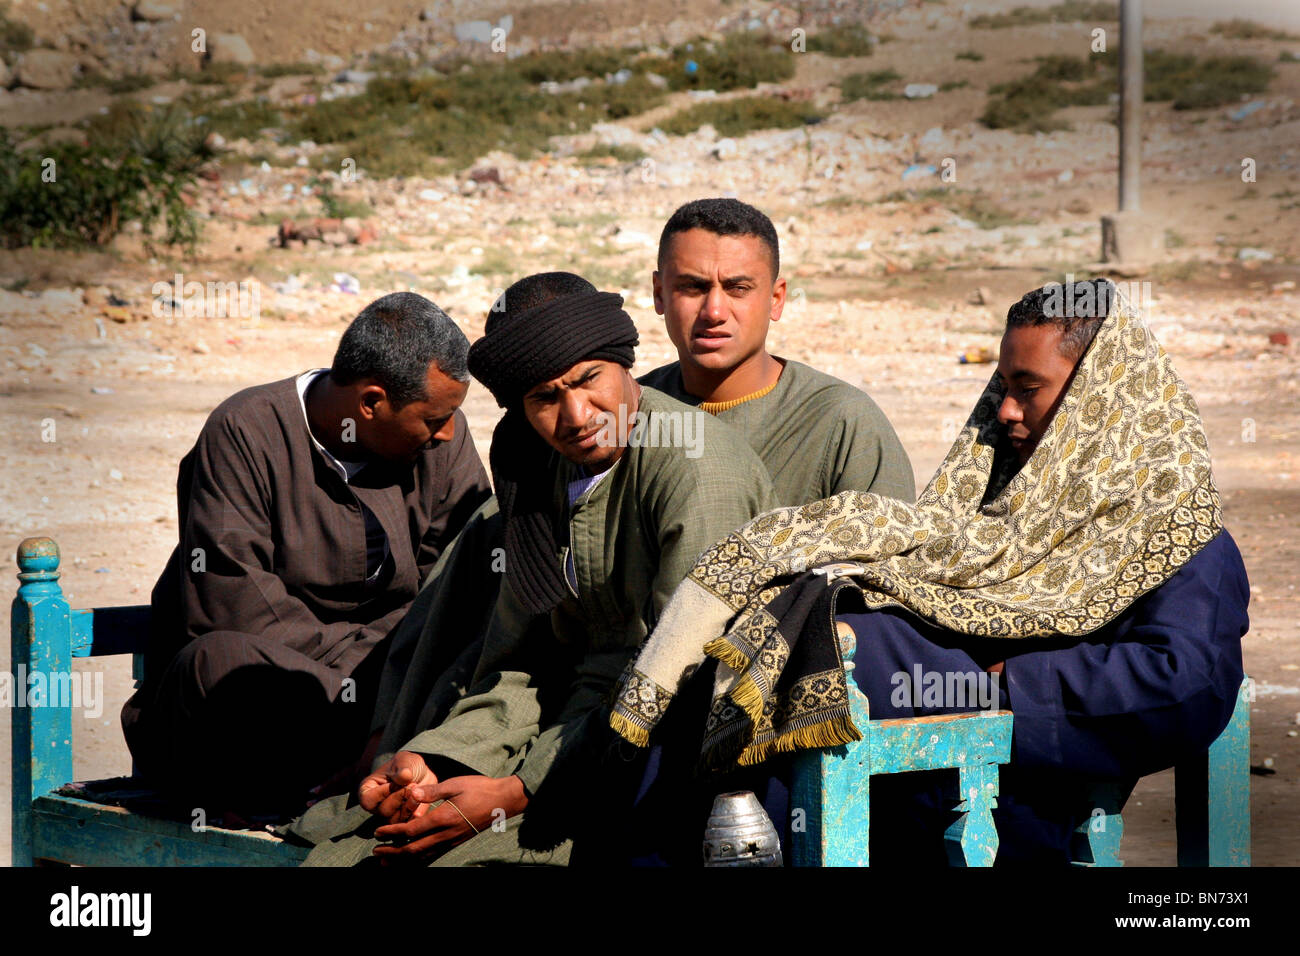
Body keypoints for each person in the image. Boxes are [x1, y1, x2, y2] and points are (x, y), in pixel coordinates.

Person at [609, 278, 1249, 866]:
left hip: (999, 793)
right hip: (897, 772)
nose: (1003, 411)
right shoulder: (988, 517)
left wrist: (1006, 687)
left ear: (1100, 399)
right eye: (1003, 389)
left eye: (1028, 389)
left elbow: (1186, 682)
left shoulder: (1177, 536)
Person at [294, 273, 777, 865]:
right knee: (372, 848)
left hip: (659, 754)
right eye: (545, 398)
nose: (575, 415)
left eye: (588, 380)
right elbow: (520, 661)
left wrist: (520, 790)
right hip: (564, 725)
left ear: (624, 363)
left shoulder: (696, 473)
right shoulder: (537, 468)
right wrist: (438, 760)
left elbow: (677, 681)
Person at [120, 292, 491, 817]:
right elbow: (233, 604)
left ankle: (370, 763)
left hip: (388, 695)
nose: (449, 432)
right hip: (269, 701)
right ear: (371, 403)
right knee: (219, 662)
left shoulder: (441, 443)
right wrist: (365, 673)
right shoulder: (245, 433)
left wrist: (388, 689)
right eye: (433, 419)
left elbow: (455, 585)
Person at [639, 197, 915, 505]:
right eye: (693, 287)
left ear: (776, 299)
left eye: (738, 289)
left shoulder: (841, 423)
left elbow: (890, 543)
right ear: (659, 294)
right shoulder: (630, 414)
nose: (714, 311)